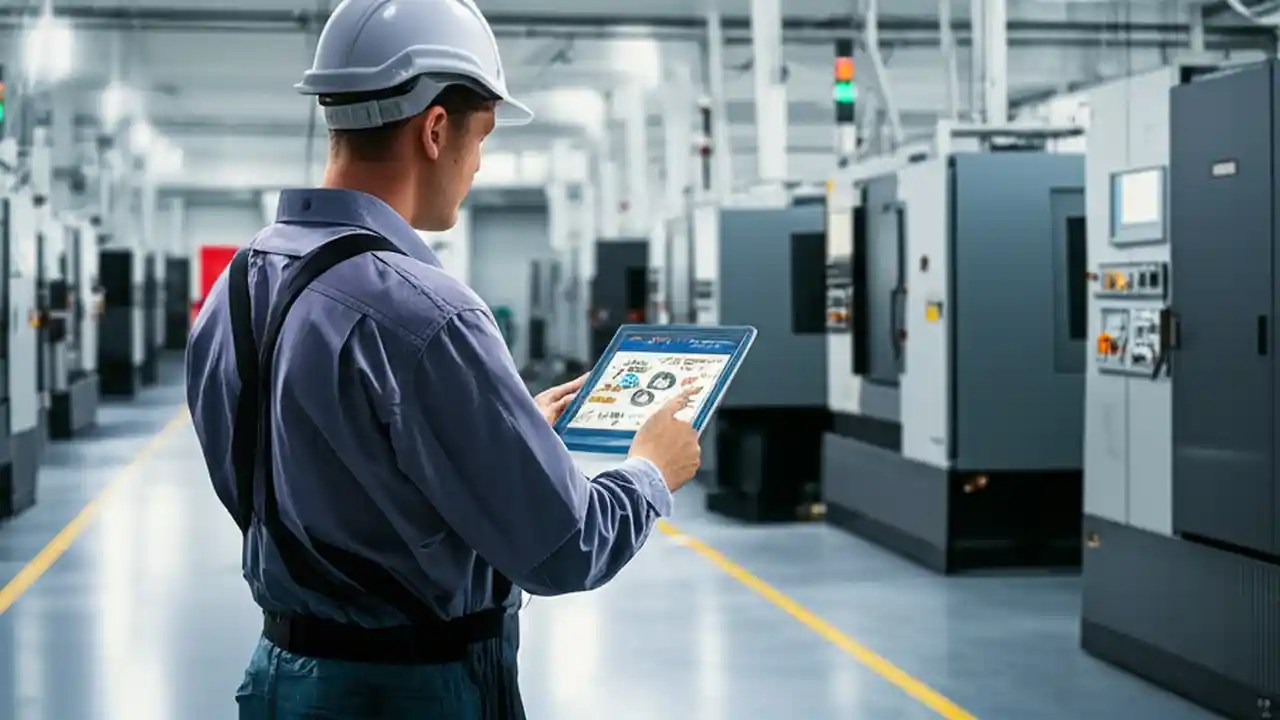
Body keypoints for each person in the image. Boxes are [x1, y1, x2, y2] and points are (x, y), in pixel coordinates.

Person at [184, 1, 702, 718]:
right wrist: (651, 470)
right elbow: (565, 547)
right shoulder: (429, 314)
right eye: (480, 135)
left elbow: (302, 482)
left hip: (281, 678)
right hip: (411, 692)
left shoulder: (237, 286)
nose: (479, 162)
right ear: (435, 130)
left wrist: (500, 441)